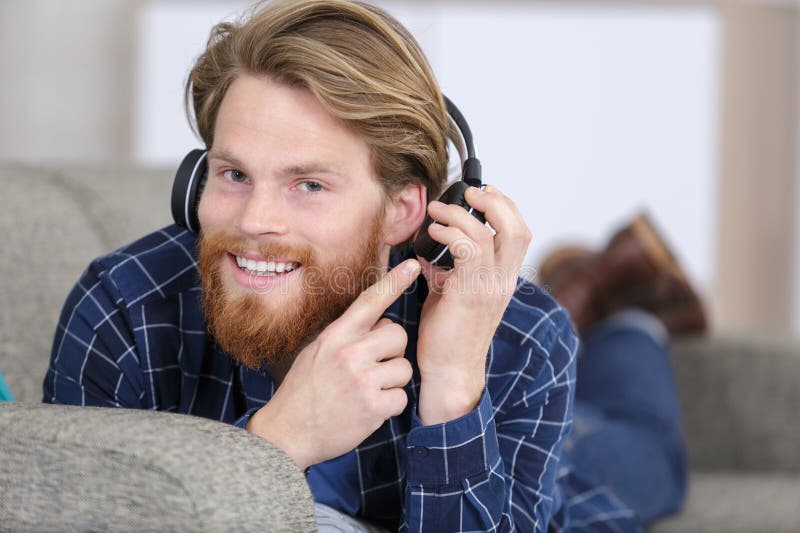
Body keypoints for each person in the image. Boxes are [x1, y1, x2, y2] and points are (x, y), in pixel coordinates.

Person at [43, 1, 699, 530]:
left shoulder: (518, 338)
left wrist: (451, 388)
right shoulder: (122, 313)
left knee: (644, 464)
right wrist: (276, 440)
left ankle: (627, 319)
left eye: (310, 185)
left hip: (555, 480)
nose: (252, 222)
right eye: (234, 173)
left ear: (403, 212)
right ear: (194, 182)